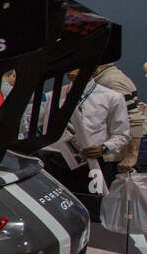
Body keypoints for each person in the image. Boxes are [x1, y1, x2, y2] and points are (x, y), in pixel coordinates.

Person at [39, 68, 131, 219]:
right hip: (55, 161)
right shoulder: (53, 96)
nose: (70, 70)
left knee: (92, 209)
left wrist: (104, 148)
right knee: (56, 211)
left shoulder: (111, 97)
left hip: (90, 162)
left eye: (77, 65)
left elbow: (122, 134)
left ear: (92, 68)